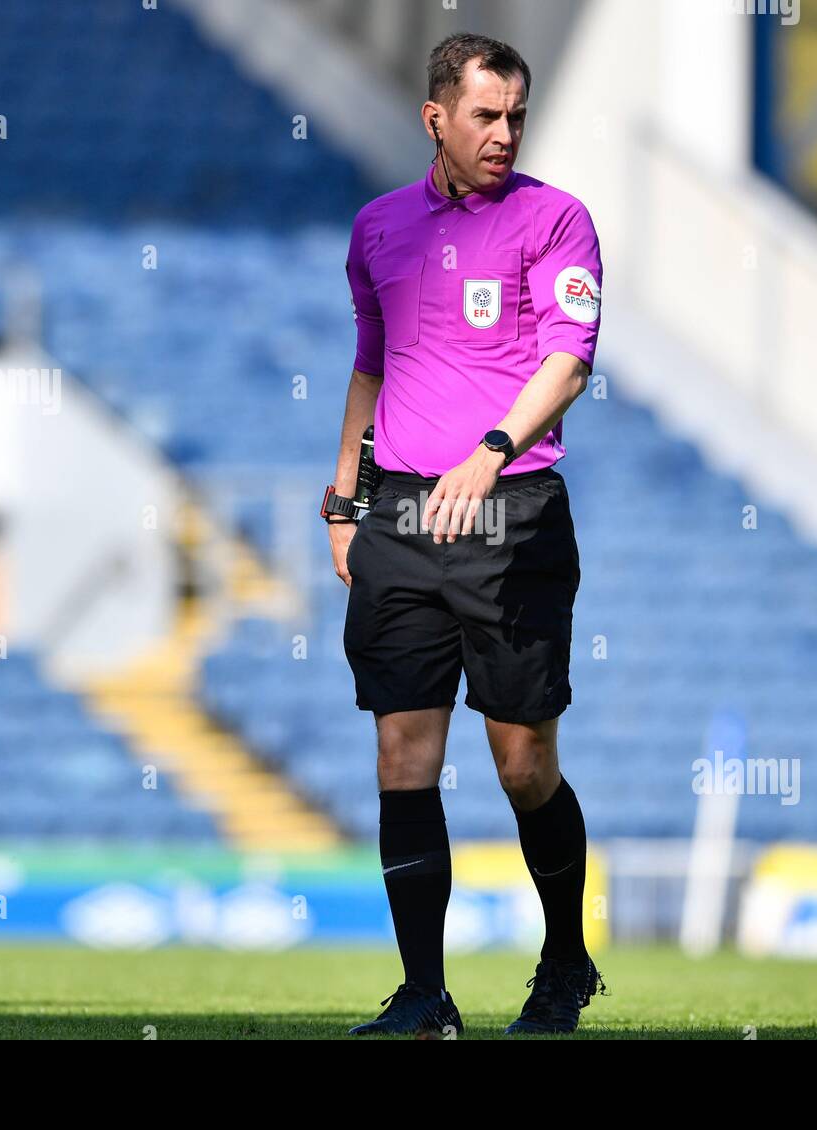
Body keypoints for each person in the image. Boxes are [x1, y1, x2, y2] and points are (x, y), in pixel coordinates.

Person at [322, 31, 606, 1037]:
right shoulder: (378, 228)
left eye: (516, 116)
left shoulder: (556, 221)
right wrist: (346, 493)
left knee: (522, 760)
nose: (504, 134)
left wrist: (486, 453)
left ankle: (565, 959)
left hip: (512, 513)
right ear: (435, 117)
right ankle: (423, 996)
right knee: (402, 749)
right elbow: (370, 363)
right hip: (398, 512)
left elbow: (568, 361)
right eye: (485, 115)